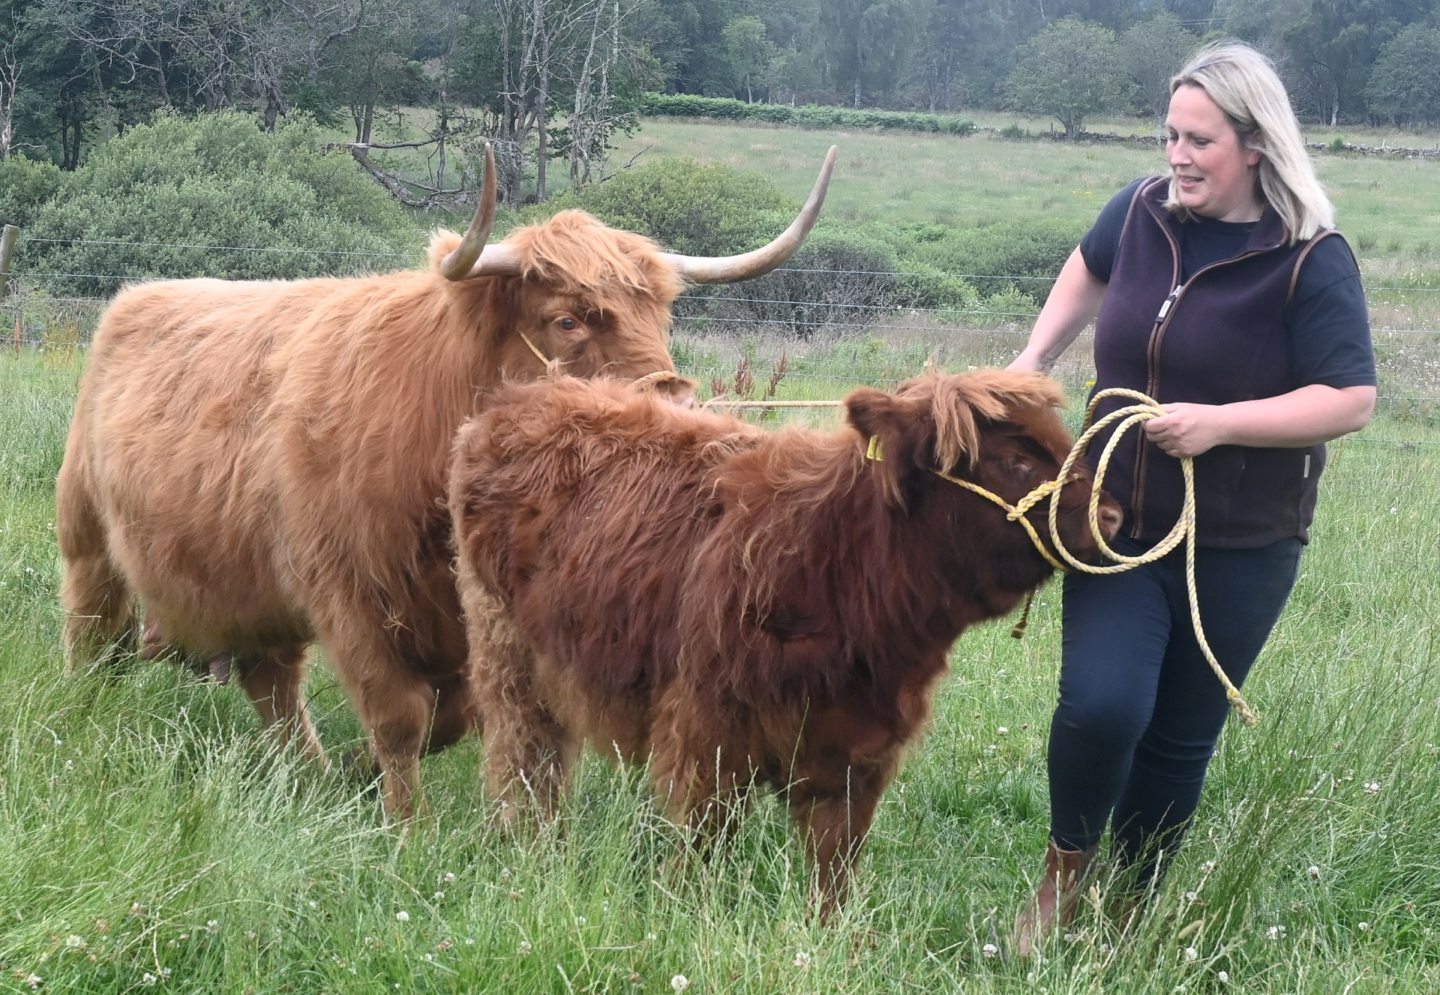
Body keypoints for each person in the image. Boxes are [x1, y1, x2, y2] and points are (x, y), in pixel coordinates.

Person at [1006, 40, 1376, 955]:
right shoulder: (1139, 213)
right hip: (1117, 519)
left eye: (1199, 141)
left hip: (1244, 545)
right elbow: (1088, 266)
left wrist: (1222, 423)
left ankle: (1130, 900)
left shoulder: (1310, 258)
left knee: (1178, 736)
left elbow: (1349, 398)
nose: (1176, 156)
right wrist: (1033, 357)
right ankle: (1065, 871)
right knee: (1102, 704)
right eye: (1170, 135)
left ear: (1255, 144)